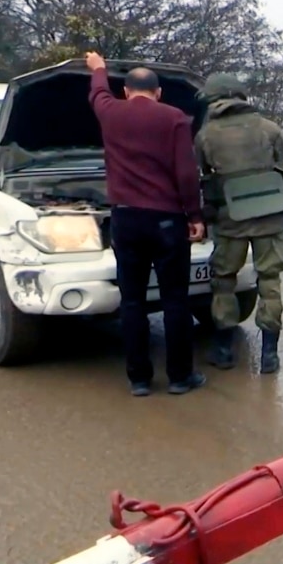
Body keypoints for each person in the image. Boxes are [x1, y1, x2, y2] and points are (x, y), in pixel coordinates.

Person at [85, 52, 207, 397]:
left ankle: (139, 379)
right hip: (167, 220)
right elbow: (186, 173)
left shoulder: (111, 112)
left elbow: (97, 94)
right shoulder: (175, 118)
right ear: (158, 93)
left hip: (126, 219)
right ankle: (180, 377)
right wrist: (194, 215)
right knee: (175, 300)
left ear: (126, 92)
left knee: (132, 301)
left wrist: (98, 68)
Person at [193, 73, 283, 374]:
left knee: (223, 281)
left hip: (230, 221)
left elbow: (203, 178)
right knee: (270, 282)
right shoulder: (269, 129)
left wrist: (207, 215)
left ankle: (224, 350)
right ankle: (269, 355)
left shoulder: (206, 135)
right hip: (271, 218)